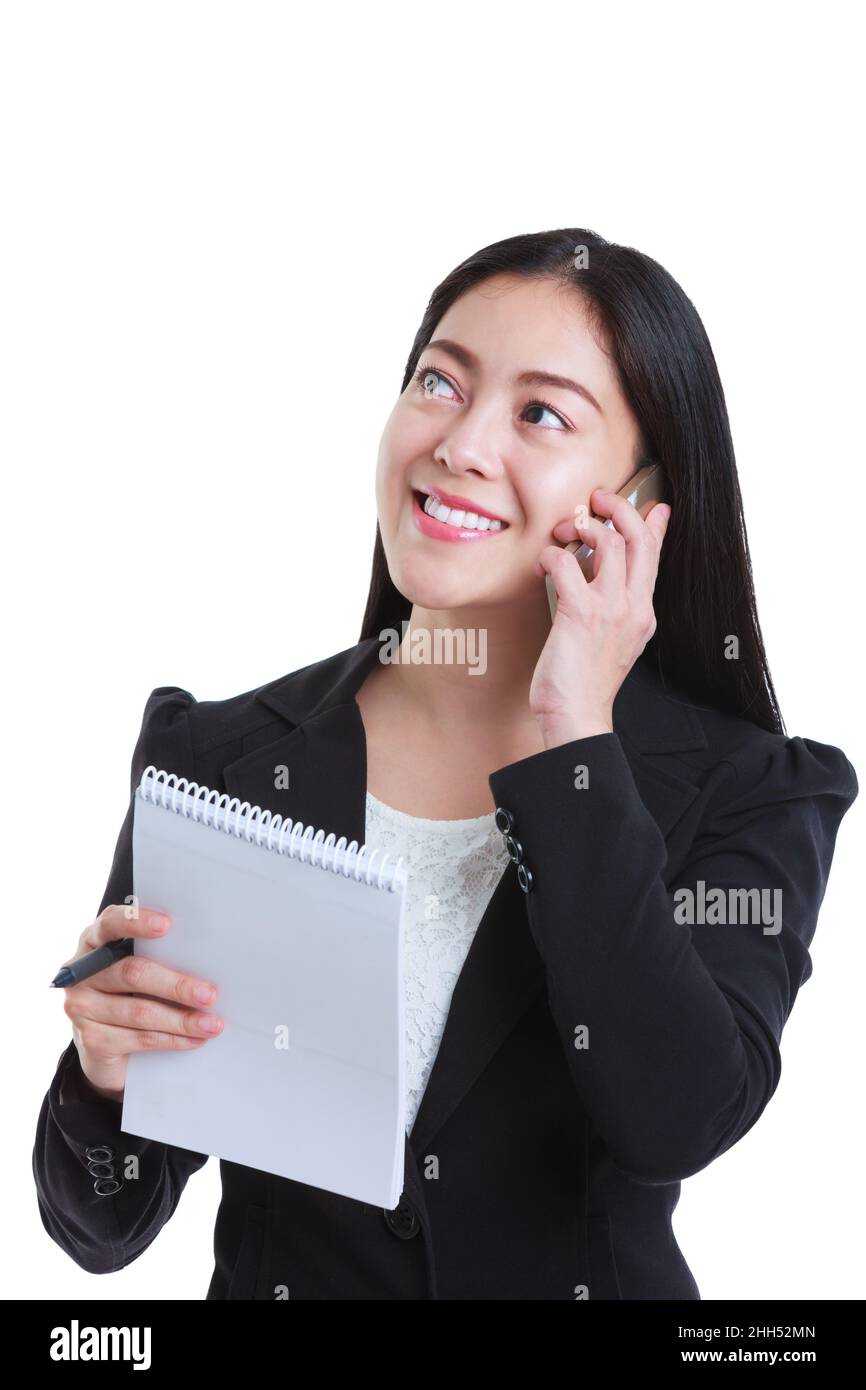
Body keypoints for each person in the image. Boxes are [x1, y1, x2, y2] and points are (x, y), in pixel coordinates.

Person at [32, 228, 858, 1299]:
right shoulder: (221, 755)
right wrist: (104, 1078)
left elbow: (676, 1117)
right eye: (437, 381)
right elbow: (102, 1227)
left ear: (641, 501)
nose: (459, 444)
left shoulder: (750, 787)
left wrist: (574, 734)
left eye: (538, 412)